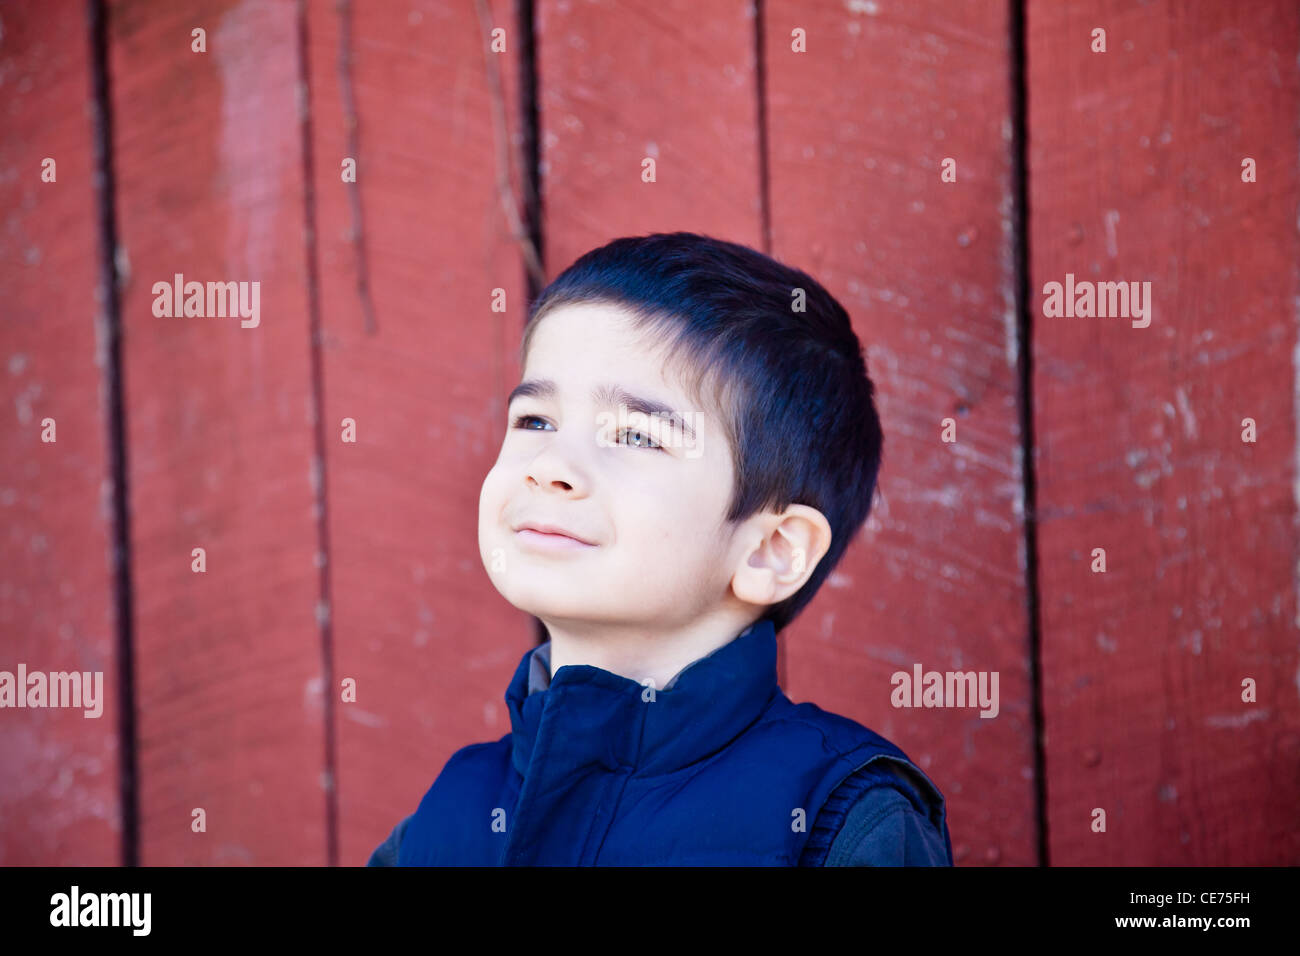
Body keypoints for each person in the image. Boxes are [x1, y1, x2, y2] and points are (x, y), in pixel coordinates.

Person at [369, 232, 953, 866]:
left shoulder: (840, 822)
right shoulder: (442, 821)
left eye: (637, 436)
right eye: (536, 421)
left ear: (771, 550)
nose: (551, 466)